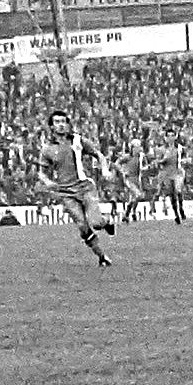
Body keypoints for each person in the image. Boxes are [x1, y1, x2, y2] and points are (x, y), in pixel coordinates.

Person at [36, 110, 117, 267]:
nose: (61, 125)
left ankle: (107, 221)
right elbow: (41, 173)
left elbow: (98, 155)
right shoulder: (47, 149)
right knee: (82, 226)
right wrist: (47, 182)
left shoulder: (78, 140)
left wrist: (105, 169)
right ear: (51, 127)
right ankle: (102, 257)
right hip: (66, 192)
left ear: (68, 124)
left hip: (85, 187)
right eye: (57, 122)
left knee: (96, 222)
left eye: (63, 121)